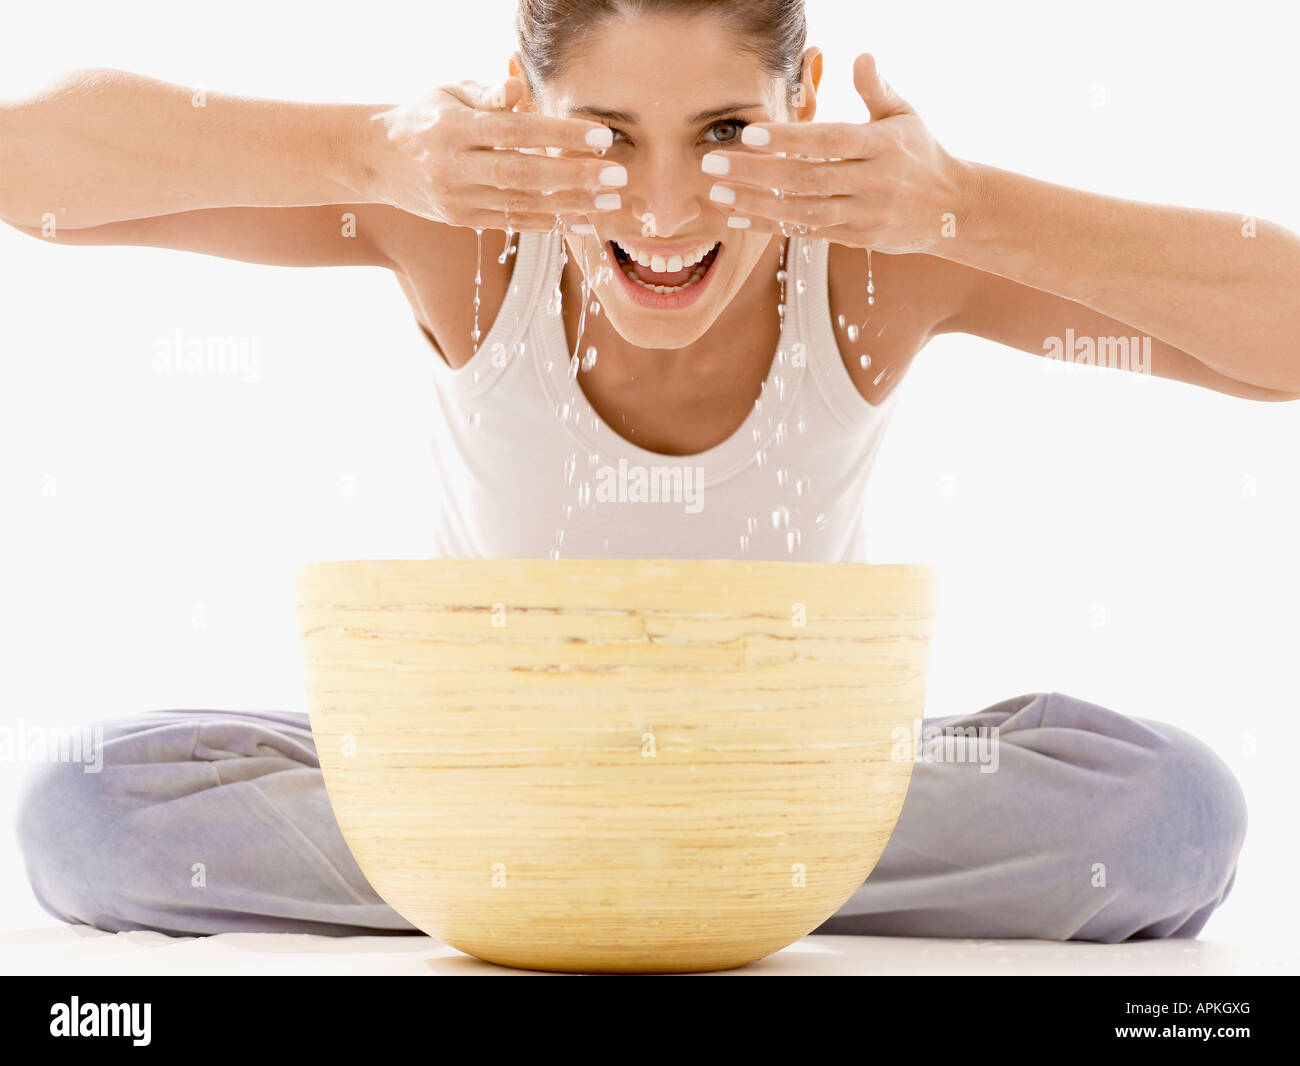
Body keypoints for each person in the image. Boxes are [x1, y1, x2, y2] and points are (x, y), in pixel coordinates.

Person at [8, 0, 1286, 943]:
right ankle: (602, 877)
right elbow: (30, 166)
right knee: (86, 807)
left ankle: (657, 877)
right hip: (485, 801)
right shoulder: (465, 227)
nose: (662, 212)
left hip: (788, 797)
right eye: (604, 137)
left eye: (726, 131)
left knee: (1170, 816)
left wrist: (967, 204)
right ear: (519, 104)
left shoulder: (876, 257)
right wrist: (365, 150)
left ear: (805, 107)